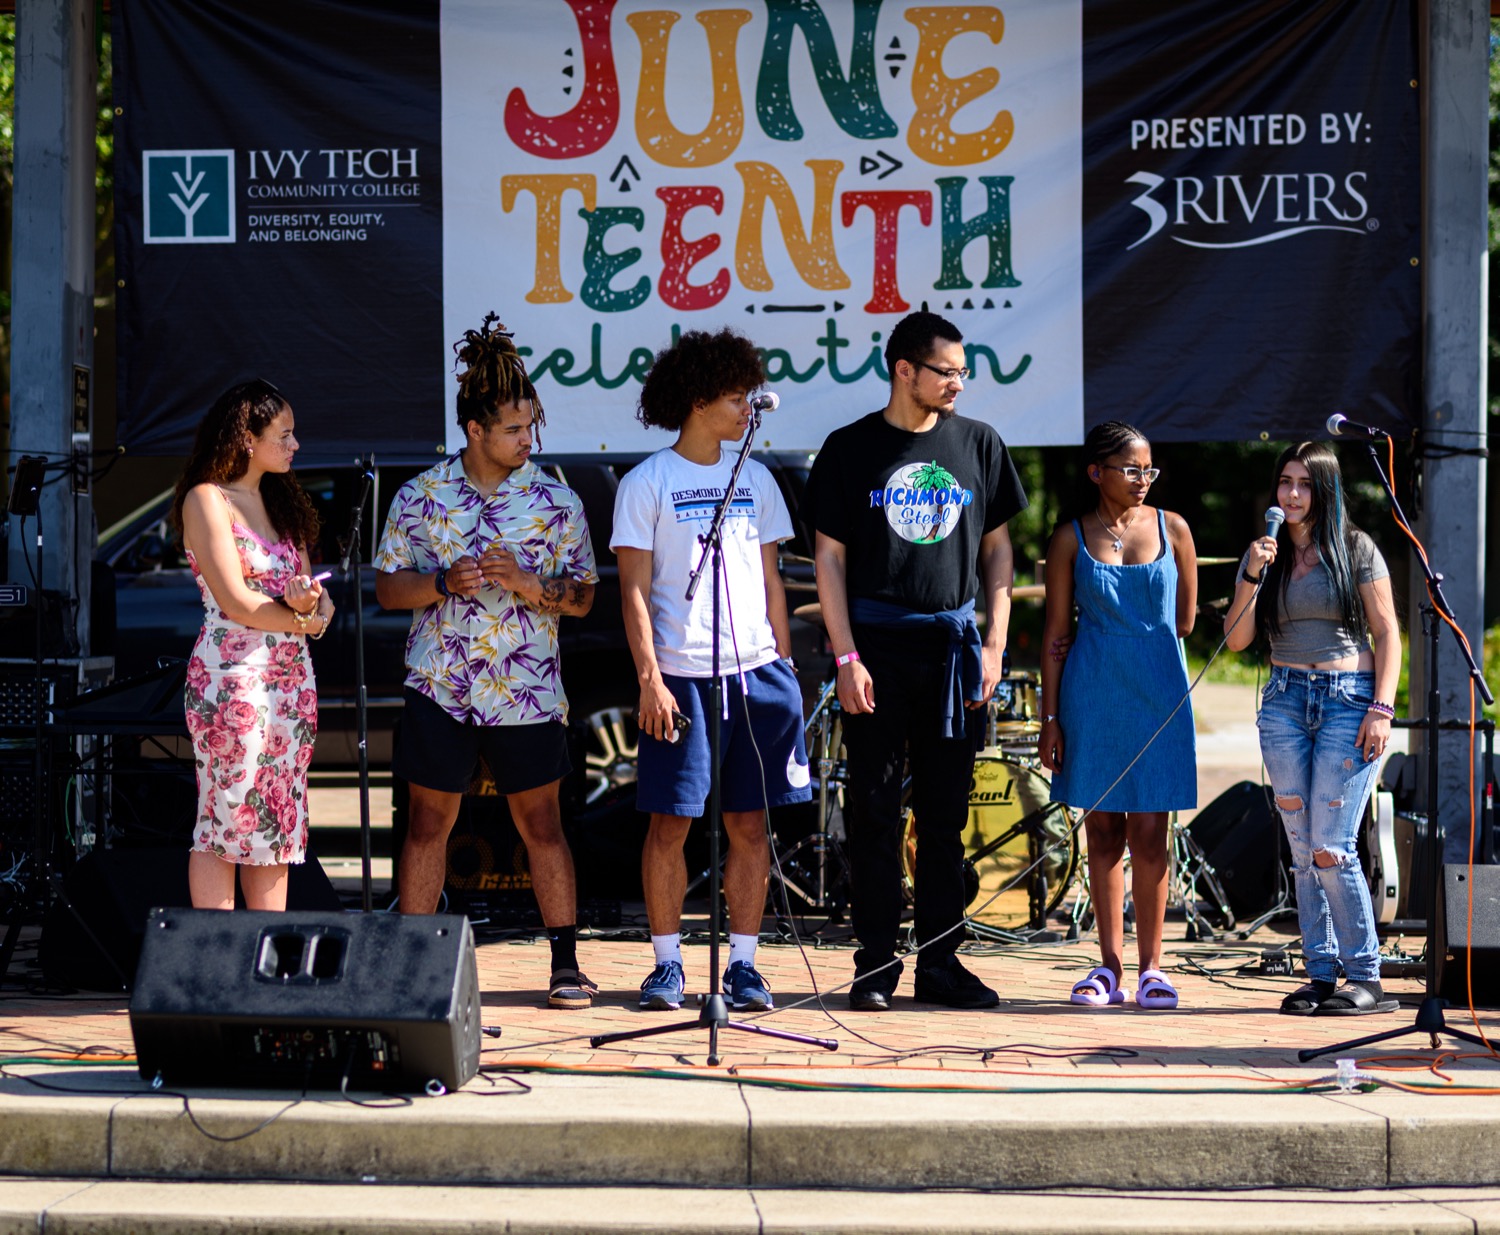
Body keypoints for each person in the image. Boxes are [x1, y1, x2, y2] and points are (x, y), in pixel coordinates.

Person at [375, 313, 600, 1010]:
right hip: (441, 685)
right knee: (426, 825)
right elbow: (387, 589)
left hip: (525, 691)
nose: (528, 439)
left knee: (542, 825)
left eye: (530, 426)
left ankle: (565, 963)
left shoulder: (556, 501)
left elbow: (585, 598)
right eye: (514, 428)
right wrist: (444, 581)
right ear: (475, 429)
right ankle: (414, 967)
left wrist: (530, 584)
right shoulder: (420, 496)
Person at [806, 310, 1027, 1011]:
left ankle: (940, 963)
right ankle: (875, 963)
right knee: (872, 810)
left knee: (944, 815)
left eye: (963, 371)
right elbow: (829, 560)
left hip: (952, 651)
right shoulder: (849, 448)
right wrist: (846, 655)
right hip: (874, 649)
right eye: (946, 371)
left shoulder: (979, 443)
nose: (959, 383)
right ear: (905, 370)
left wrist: (994, 644)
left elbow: (998, 551)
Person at [611, 328, 812, 1012]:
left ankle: (745, 966)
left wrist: (783, 662)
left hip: (756, 673)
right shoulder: (646, 482)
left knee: (750, 825)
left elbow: (772, 579)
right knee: (669, 825)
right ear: (698, 401)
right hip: (680, 677)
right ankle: (667, 965)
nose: (747, 409)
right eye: (735, 397)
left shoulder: (757, 478)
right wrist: (650, 678)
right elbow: (633, 590)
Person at [1222, 441, 1401, 1016]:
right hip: (1284, 702)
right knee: (1302, 850)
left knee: (1331, 846)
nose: (1292, 494)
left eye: (1304, 483)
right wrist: (1252, 572)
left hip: (1348, 701)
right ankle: (1320, 975)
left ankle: (1366, 976)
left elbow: (1388, 633)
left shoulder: (1355, 548)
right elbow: (1237, 640)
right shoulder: (1266, 555)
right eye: (1285, 482)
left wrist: (1382, 708)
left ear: (1325, 490)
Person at [1038, 422, 1198, 1009]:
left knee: (1152, 831)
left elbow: (1185, 622)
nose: (1142, 479)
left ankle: (1154, 968)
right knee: (1102, 829)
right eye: (1131, 469)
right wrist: (1050, 718)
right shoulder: (1068, 537)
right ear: (1096, 472)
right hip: (1093, 692)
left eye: (1148, 469)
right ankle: (1108, 967)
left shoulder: (1174, 528)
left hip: (1158, 690)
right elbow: (1055, 635)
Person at [172, 378, 334, 911]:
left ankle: (265, 953)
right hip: (234, 681)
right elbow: (236, 601)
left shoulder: (280, 502)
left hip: (290, 682)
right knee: (225, 814)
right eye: (283, 435)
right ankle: (217, 955)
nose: (295, 444)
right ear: (247, 438)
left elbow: (317, 601)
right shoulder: (207, 499)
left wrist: (312, 607)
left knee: (276, 818)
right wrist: (303, 620)